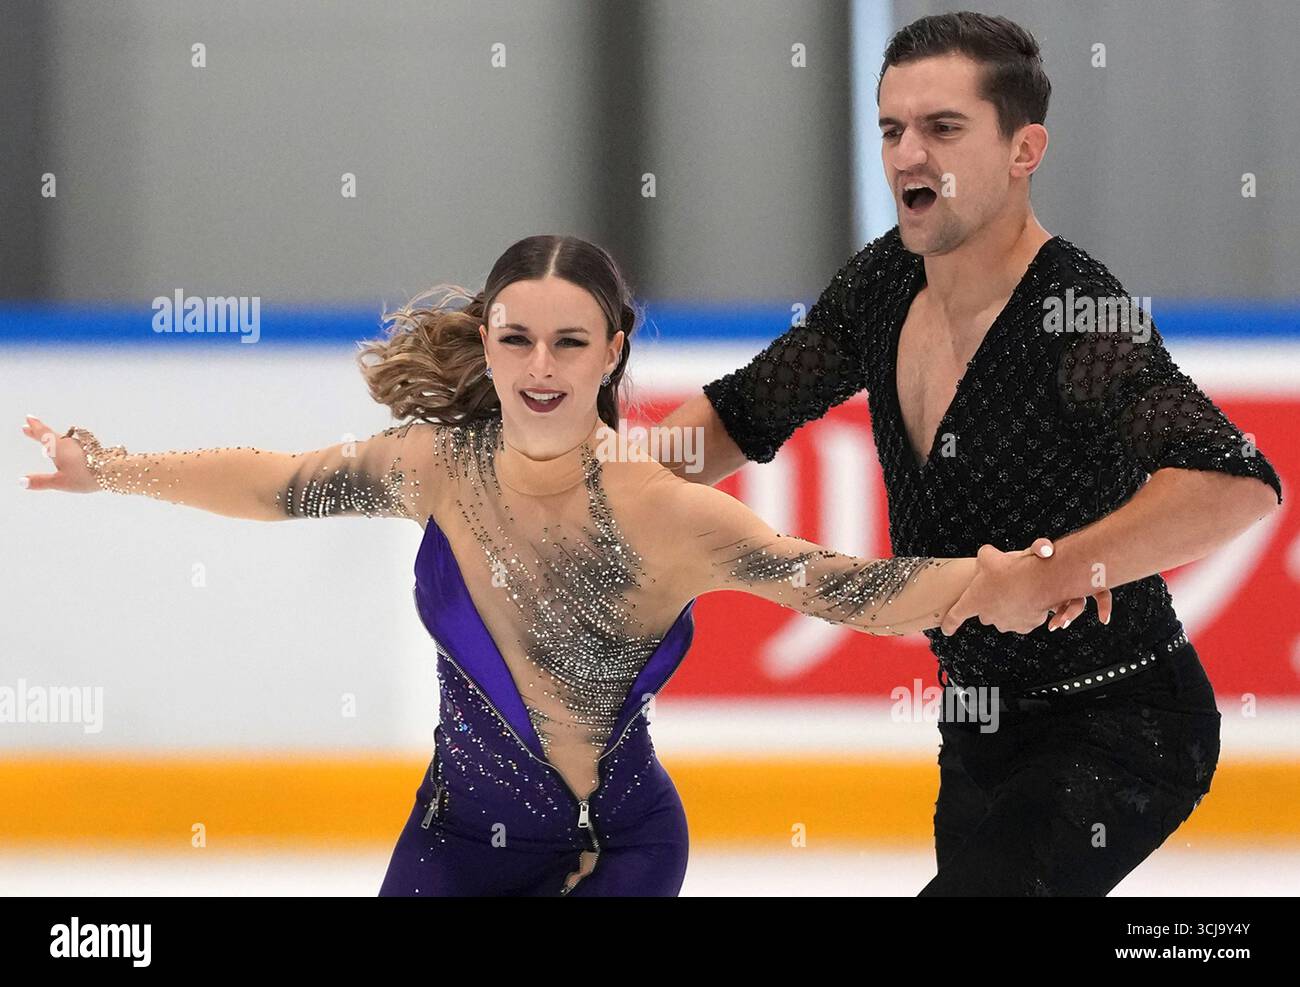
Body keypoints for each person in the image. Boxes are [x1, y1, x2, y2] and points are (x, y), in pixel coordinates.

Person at [20, 233, 1095, 896]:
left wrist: (1016, 578)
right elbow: (276, 483)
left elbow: (851, 589)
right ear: (487, 344)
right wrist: (106, 467)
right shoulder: (435, 467)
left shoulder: (666, 512)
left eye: (570, 342)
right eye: (517, 338)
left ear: (613, 350)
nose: (541, 366)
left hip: (620, 851)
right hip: (453, 840)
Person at [655, 12, 1283, 895]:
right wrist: (593, 488)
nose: (908, 154)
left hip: (1122, 725)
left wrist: (1055, 570)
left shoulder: (1073, 312)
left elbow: (1236, 482)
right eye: (892, 129)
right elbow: (740, 412)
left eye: (943, 128)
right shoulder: (885, 282)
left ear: (1025, 150)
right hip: (978, 728)